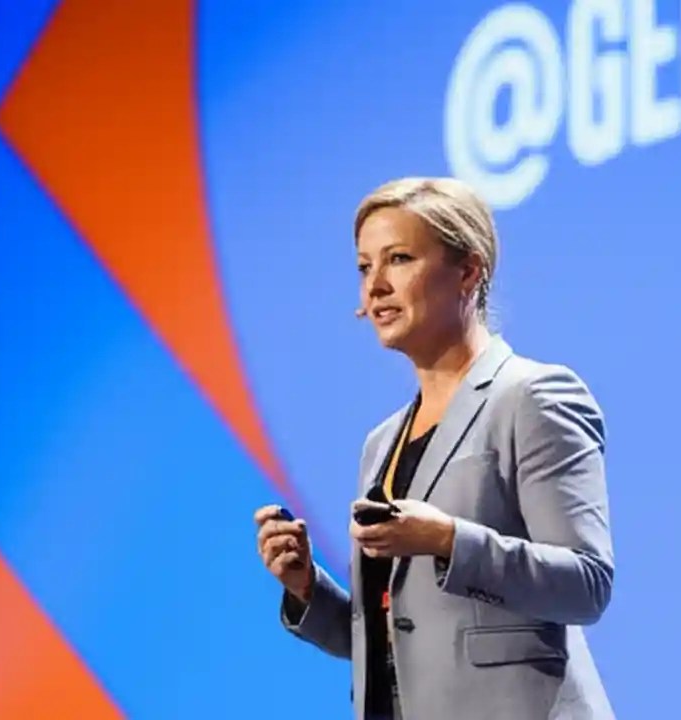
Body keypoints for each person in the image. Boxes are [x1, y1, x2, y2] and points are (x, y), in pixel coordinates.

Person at [255, 177, 614, 719]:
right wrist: (307, 587)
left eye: (398, 259)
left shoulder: (533, 396)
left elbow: (586, 585)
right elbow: (402, 642)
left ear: (469, 271)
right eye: (363, 267)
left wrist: (448, 539)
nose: (374, 286)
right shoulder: (381, 445)